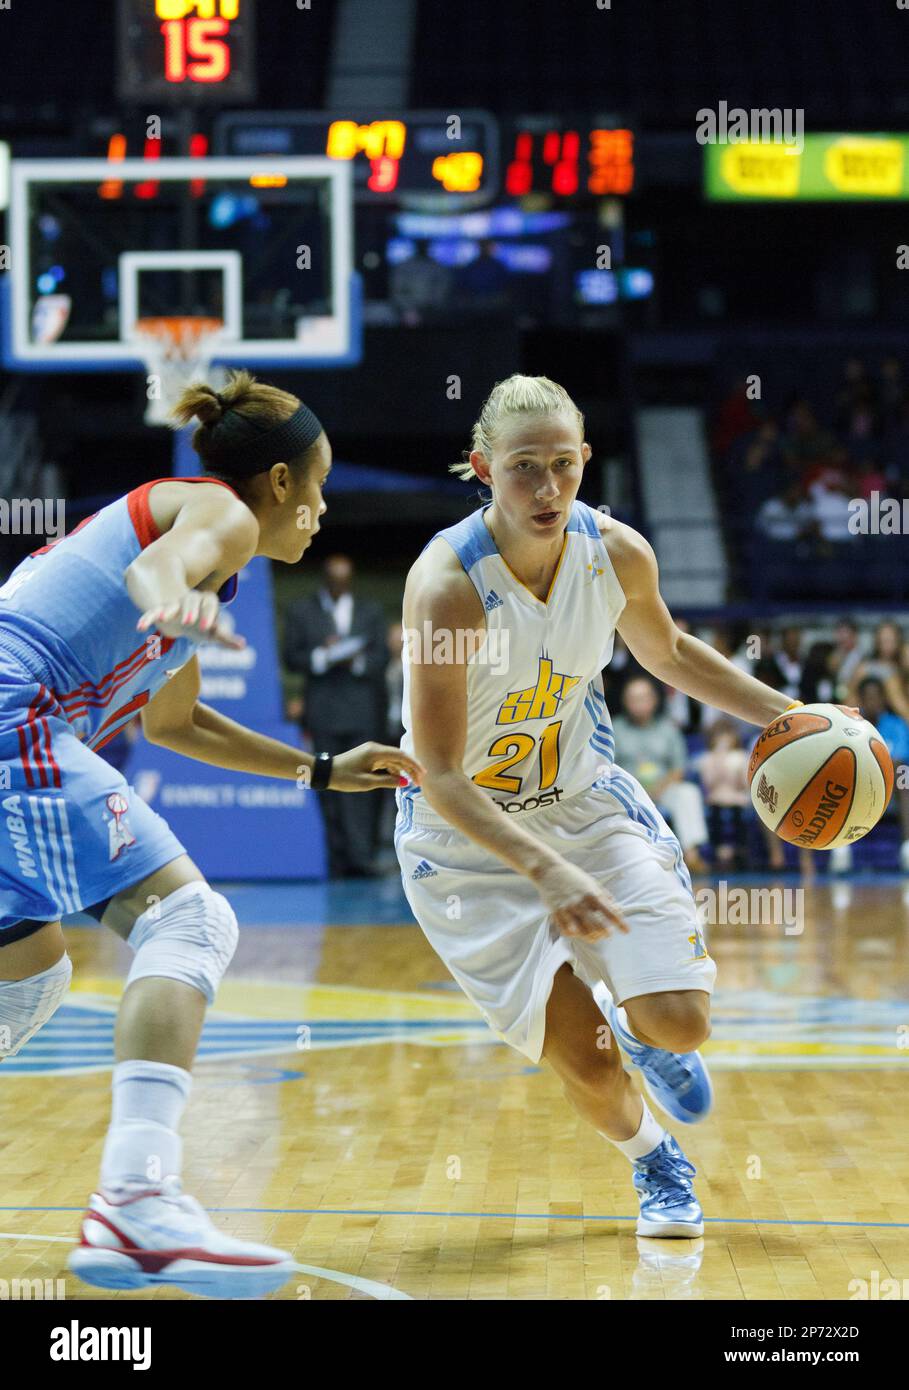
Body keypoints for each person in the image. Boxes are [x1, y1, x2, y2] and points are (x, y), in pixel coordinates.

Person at [0, 371, 422, 1297]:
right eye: (316, 488)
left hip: (17, 727)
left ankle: (130, 1214)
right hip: (9, 716)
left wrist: (318, 769)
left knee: (28, 977)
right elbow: (151, 577)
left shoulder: (208, 566)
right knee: (189, 922)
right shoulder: (218, 518)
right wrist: (170, 595)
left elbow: (176, 726)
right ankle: (136, 1204)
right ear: (277, 482)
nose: (319, 511)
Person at [394, 373, 807, 1239]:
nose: (546, 490)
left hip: (584, 805)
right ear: (481, 468)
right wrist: (540, 871)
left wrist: (791, 717)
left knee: (680, 1021)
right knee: (584, 1059)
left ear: (585, 460)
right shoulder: (446, 588)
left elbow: (669, 653)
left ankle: (648, 1034)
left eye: (562, 465)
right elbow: (436, 769)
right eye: (521, 469)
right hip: (463, 841)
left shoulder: (615, 552)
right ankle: (656, 1161)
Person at [283, 555, 390, 876]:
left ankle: (363, 857)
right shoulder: (301, 611)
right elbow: (291, 657)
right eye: (334, 578)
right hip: (323, 711)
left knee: (365, 783)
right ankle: (336, 859)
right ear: (325, 579)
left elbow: (380, 658)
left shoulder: (370, 611)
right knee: (326, 782)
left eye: (345, 578)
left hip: (363, 712)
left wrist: (353, 659)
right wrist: (324, 656)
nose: (339, 584)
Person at [612, 676, 710, 876]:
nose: (638, 703)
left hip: (663, 789)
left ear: (653, 700)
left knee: (688, 792)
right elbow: (606, 766)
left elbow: (679, 768)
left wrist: (659, 788)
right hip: (626, 791)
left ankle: (691, 855)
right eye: (633, 698)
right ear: (625, 701)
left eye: (642, 698)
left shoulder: (668, 729)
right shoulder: (615, 728)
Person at [832, 676, 909, 874]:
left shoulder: (896, 724)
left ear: (883, 699)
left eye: (876, 697)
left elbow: (899, 761)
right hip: (860, 783)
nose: (872, 702)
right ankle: (840, 845)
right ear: (861, 700)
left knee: (904, 778)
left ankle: (907, 846)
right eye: (868, 697)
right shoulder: (853, 725)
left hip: (889, 785)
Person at [697, 720, 750, 871]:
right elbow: (709, 783)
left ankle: (739, 850)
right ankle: (718, 851)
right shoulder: (707, 758)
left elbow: (744, 784)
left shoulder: (740, 756)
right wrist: (718, 762)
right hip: (716, 797)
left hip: (736, 797)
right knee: (715, 816)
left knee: (738, 815)